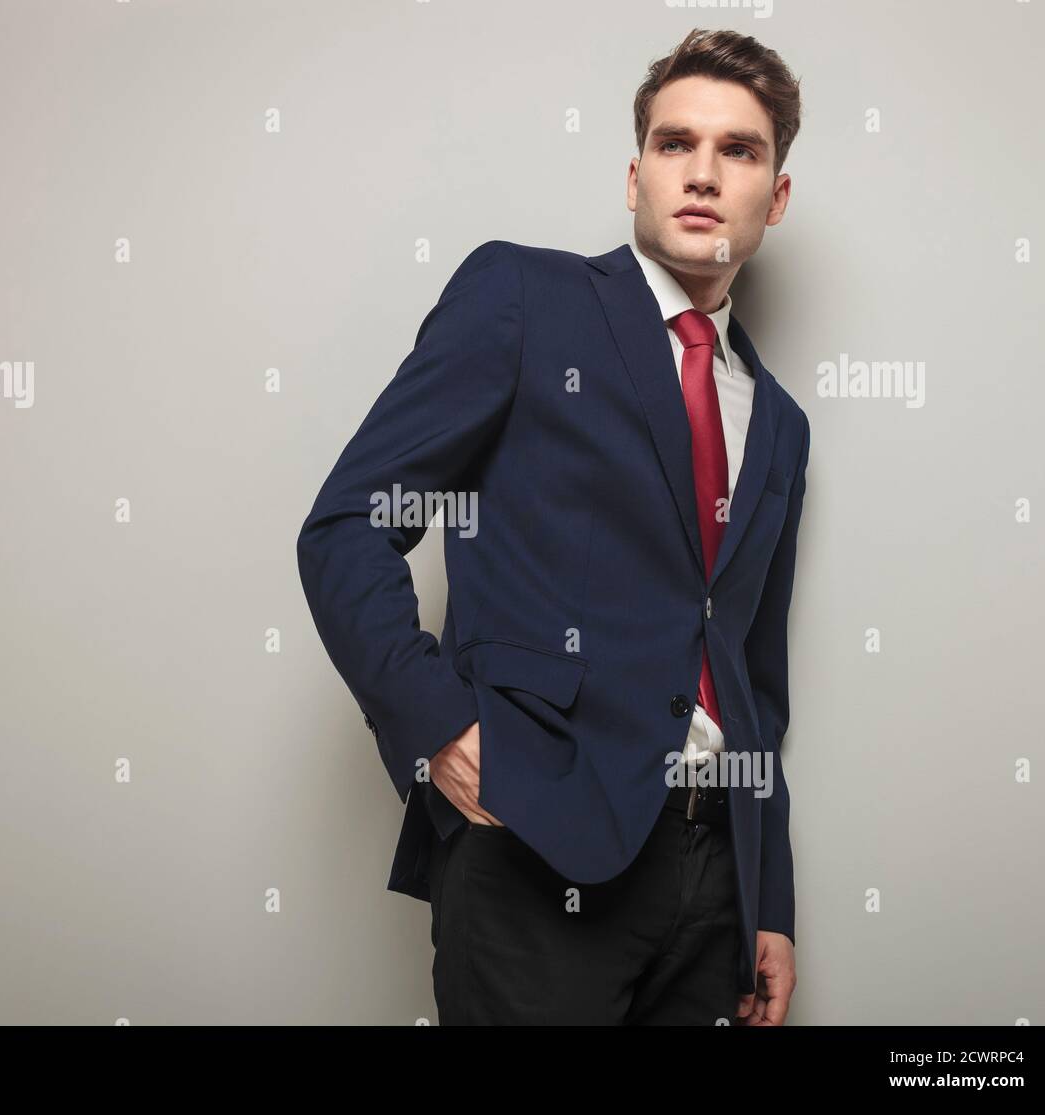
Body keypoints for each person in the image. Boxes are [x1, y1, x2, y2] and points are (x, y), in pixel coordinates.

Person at [297, 27, 809, 1025]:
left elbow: (753, 674)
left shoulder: (780, 421)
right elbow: (349, 523)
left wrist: (769, 899)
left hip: (715, 881)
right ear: (634, 177)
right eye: (674, 143)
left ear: (774, 196)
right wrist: (436, 723)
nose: (701, 172)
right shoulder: (526, 300)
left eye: (738, 150)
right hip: (537, 838)